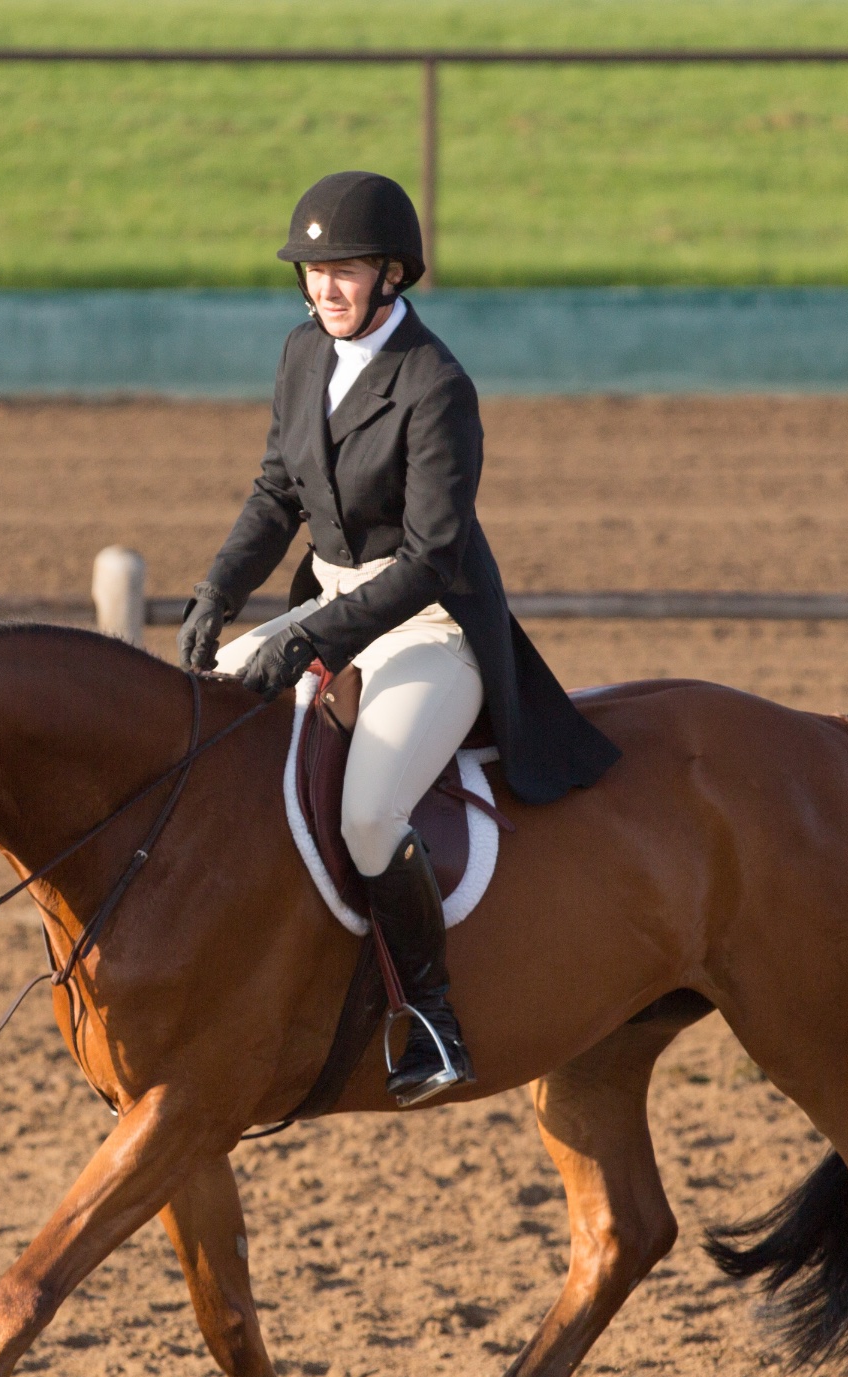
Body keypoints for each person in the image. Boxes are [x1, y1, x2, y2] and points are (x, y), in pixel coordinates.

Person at [180, 170, 620, 1107]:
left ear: (391, 276)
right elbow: (276, 493)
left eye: (343, 272)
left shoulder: (436, 385)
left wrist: (306, 642)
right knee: (202, 725)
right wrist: (219, 590)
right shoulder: (303, 353)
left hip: (429, 624)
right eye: (311, 272)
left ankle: (431, 1018)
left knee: (370, 813)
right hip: (334, 600)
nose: (324, 289)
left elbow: (428, 559)